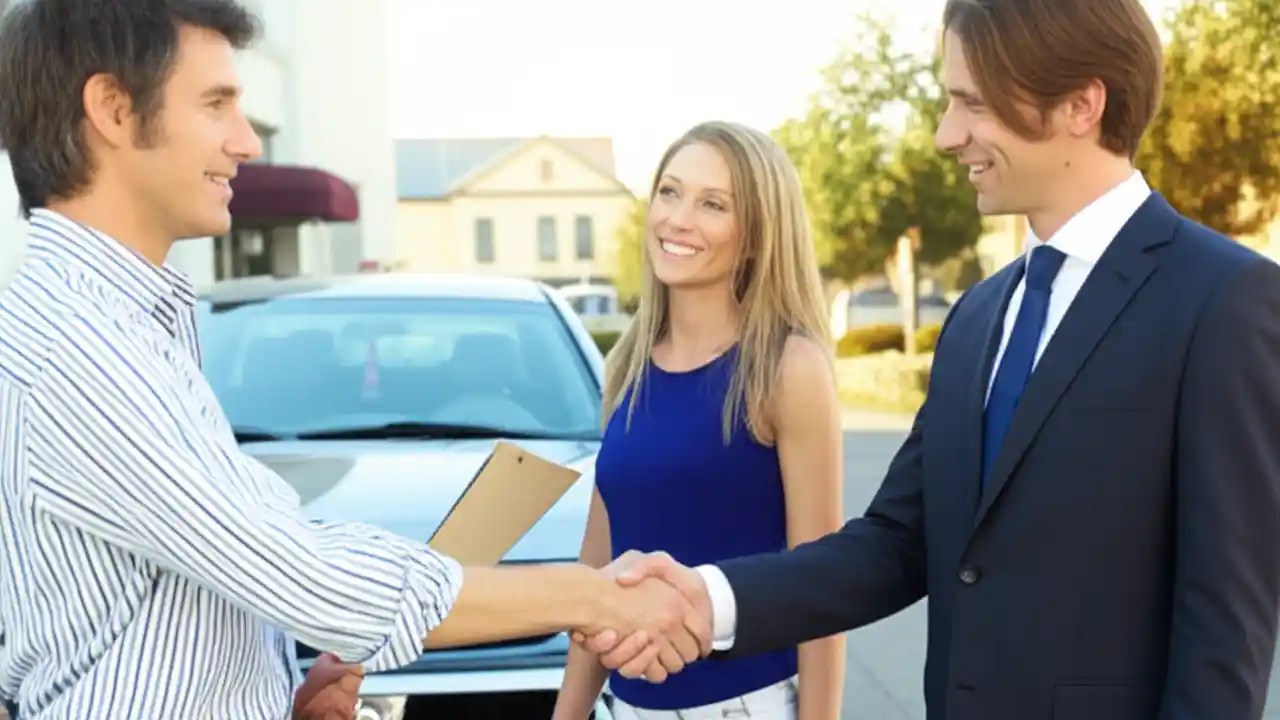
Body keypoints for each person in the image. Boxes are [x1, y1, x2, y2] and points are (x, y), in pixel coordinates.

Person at [0, 2, 708, 718]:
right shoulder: (77, 351)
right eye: (216, 104)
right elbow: (299, 572)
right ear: (114, 109)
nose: (246, 141)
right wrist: (594, 596)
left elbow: (145, 607)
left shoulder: (117, 326)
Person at [581, 0, 1280, 718]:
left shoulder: (1223, 301)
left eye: (972, 103)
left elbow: (1225, 637)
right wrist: (709, 599)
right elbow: (895, 546)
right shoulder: (977, 317)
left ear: (1081, 104)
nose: (948, 135)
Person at [552, 121, 845, 719]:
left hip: (743, 705)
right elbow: (597, 572)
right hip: (625, 707)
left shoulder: (787, 367)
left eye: (713, 204)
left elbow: (822, 589)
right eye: (669, 192)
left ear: (757, 235)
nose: (678, 219)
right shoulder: (627, 366)